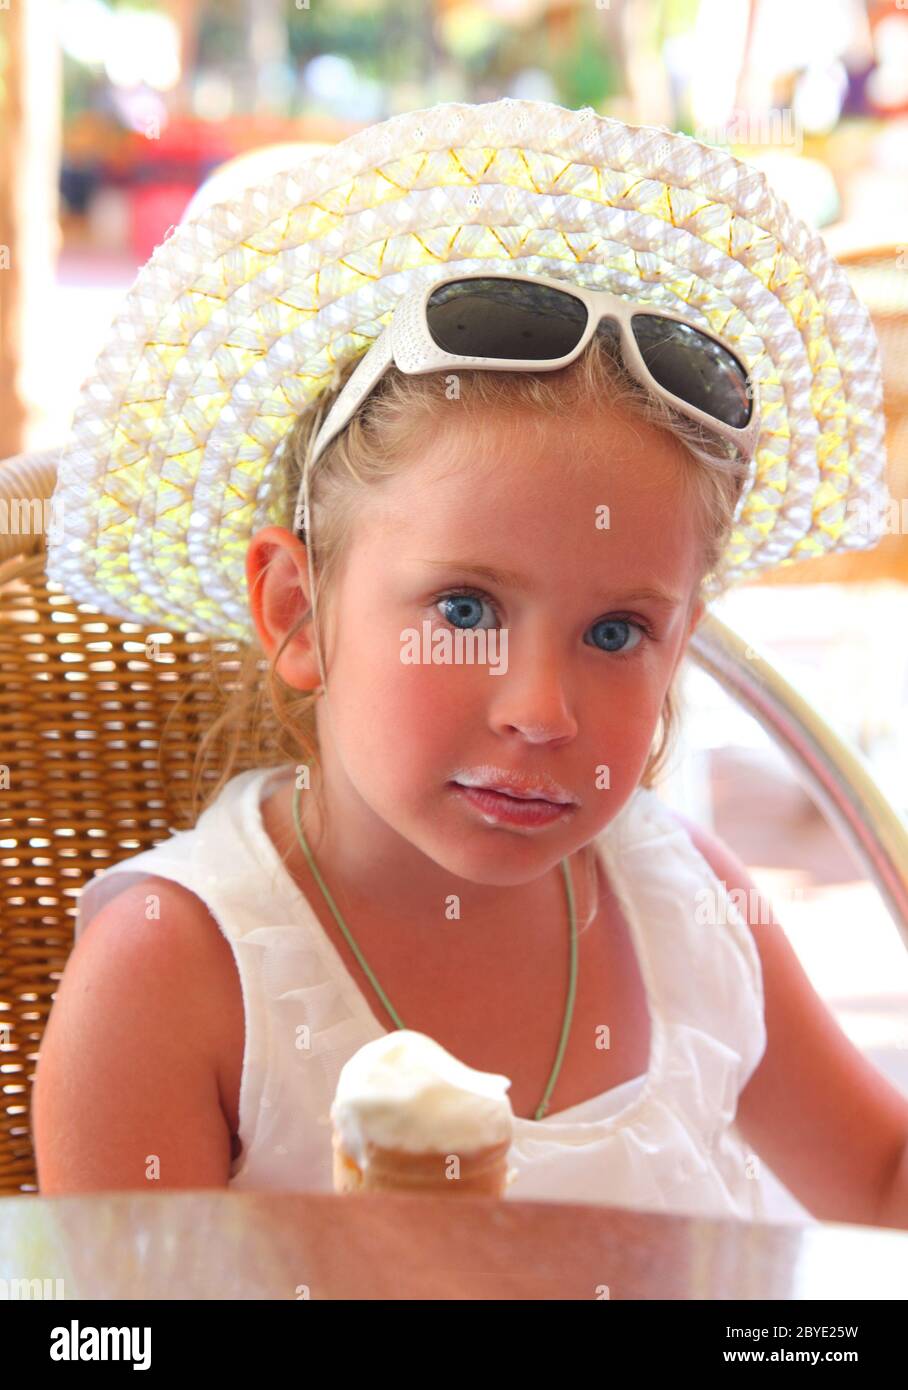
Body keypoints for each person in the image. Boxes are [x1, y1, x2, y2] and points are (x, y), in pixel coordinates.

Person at [33, 97, 908, 1229]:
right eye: (463, 607)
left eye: (614, 633)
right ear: (300, 610)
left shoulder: (686, 906)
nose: (540, 710)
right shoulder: (177, 977)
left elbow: (878, 1177)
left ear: (678, 643)